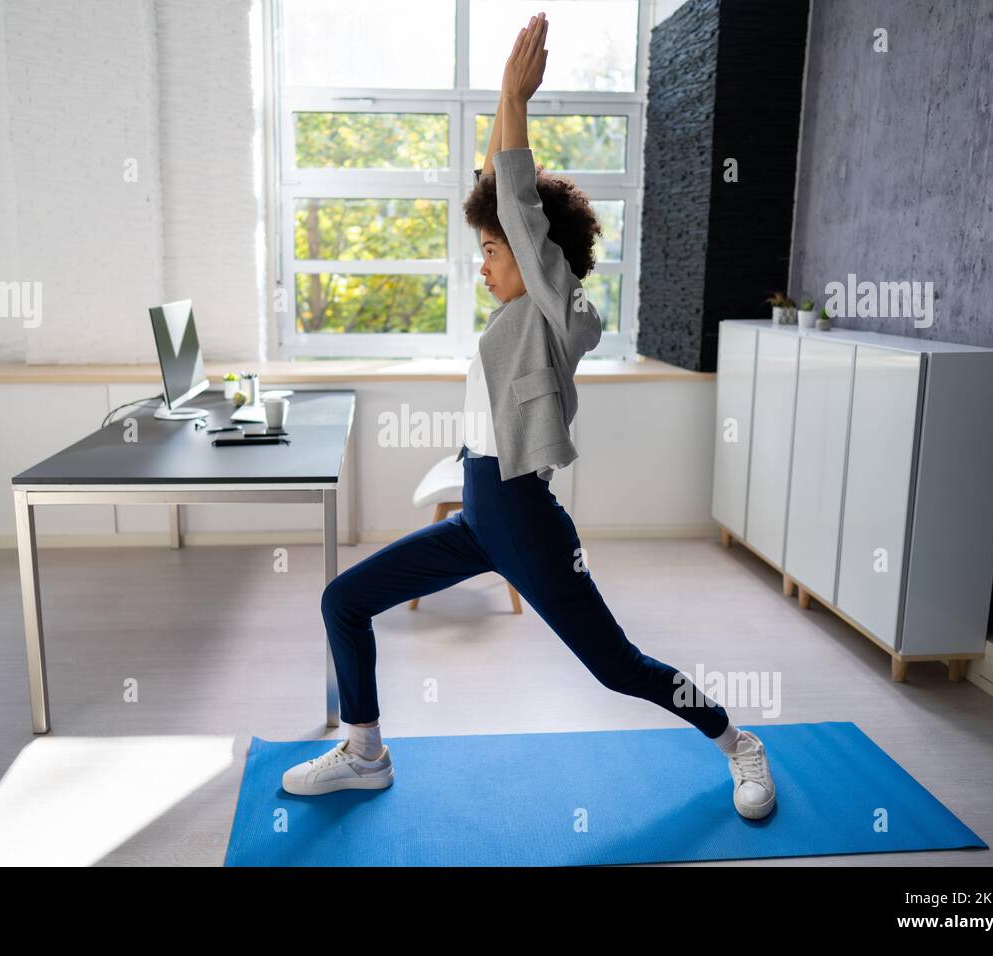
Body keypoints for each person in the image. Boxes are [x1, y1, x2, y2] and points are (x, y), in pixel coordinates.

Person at [283, 12, 775, 821]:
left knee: (619, 667)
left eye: (492, 250)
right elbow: (497, 196)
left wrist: (514, 99)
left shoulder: (564, 310)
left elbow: (515, 203)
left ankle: (737, 742)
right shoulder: (520, 308)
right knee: (343, 599)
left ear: (537, 249)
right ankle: (366, 752)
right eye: (482, 249)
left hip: (525, 522)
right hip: (480, 515)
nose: (482, 262)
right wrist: (499, 109)